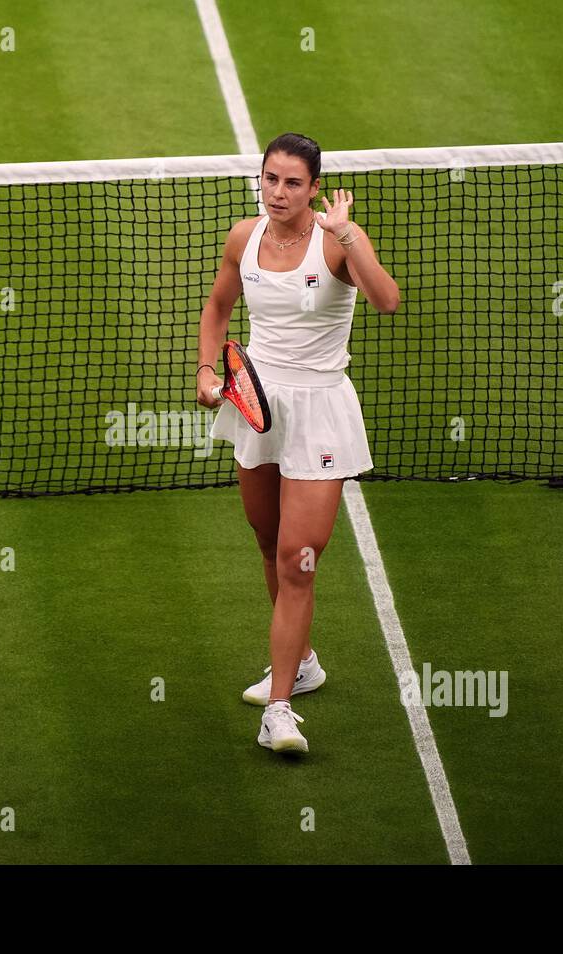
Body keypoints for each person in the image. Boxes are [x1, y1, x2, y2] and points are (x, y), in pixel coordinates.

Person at [196, 132, 400, 755]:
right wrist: (209, 372)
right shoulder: (244, 237)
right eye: (270, 179)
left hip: (319, 414)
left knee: (296, 559)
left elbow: (387, 301)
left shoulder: (340, 241)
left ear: (315, 188)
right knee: (266, 539)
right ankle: (303, 661)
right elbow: (217, 309)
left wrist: (347, 236)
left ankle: (279, 711)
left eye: (292, 182)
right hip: (258, 404)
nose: (278, 192)